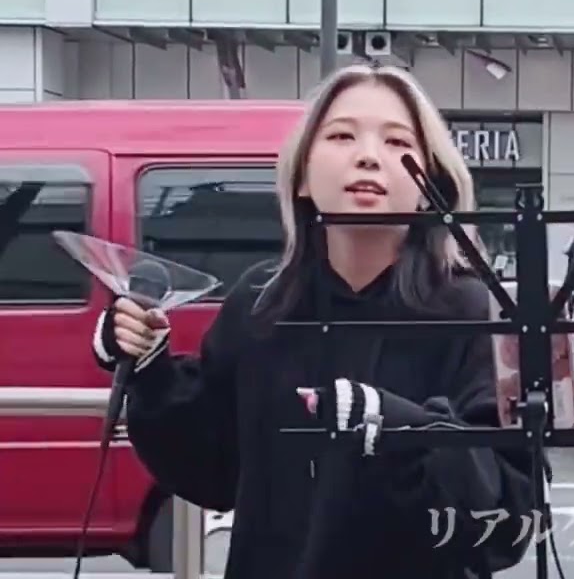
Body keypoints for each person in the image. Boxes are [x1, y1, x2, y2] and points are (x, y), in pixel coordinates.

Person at [90, 64, 534, 578]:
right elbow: (213, 471)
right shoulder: (260, 302)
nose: (368, 155)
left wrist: (398, 425)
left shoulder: (475, 312)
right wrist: (149, 369)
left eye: (397, 142)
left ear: (429, 184)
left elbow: (503, 520)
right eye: (342, 136)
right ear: (301, 176)